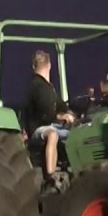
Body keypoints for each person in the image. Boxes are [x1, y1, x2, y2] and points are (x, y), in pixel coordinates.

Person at [23, 50, 74, 178]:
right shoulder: (37, 86)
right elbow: (45, 113)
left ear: (33, 66)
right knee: (52, 134)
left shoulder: (48, 87)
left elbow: (60, 104)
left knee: (76, 133)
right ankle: (50, 176)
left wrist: (69, 112)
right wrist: (62, 116)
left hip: (50, 124)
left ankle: (72, 168)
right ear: (50, 65)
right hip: (38, 128)